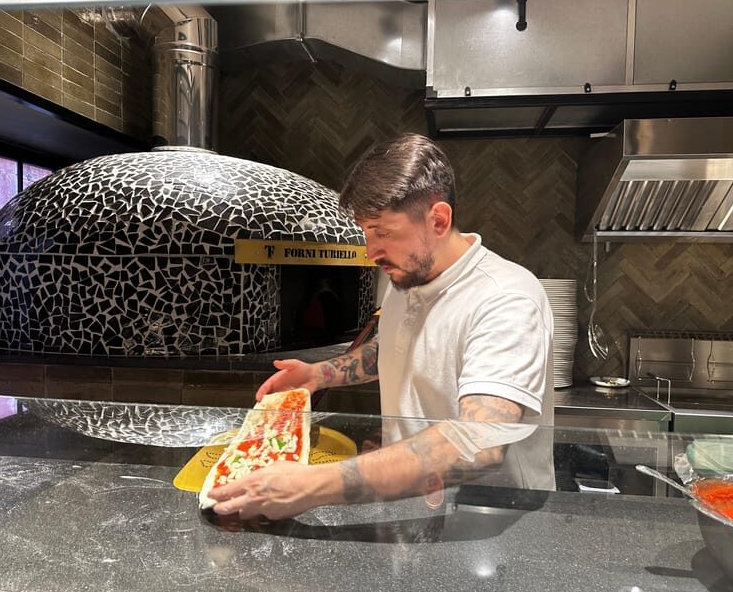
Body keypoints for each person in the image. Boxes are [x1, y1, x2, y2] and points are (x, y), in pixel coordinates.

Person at [206, 133, 555, 520]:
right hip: (411, 507)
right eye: (366, 233)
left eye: (383, 232)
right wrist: (318, 375)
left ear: (438, 219)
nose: (371, 252)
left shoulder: (505, 297)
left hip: (491, 522)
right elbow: (394, 347)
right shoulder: (406, 276)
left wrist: (308, 485)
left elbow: (479, 441)